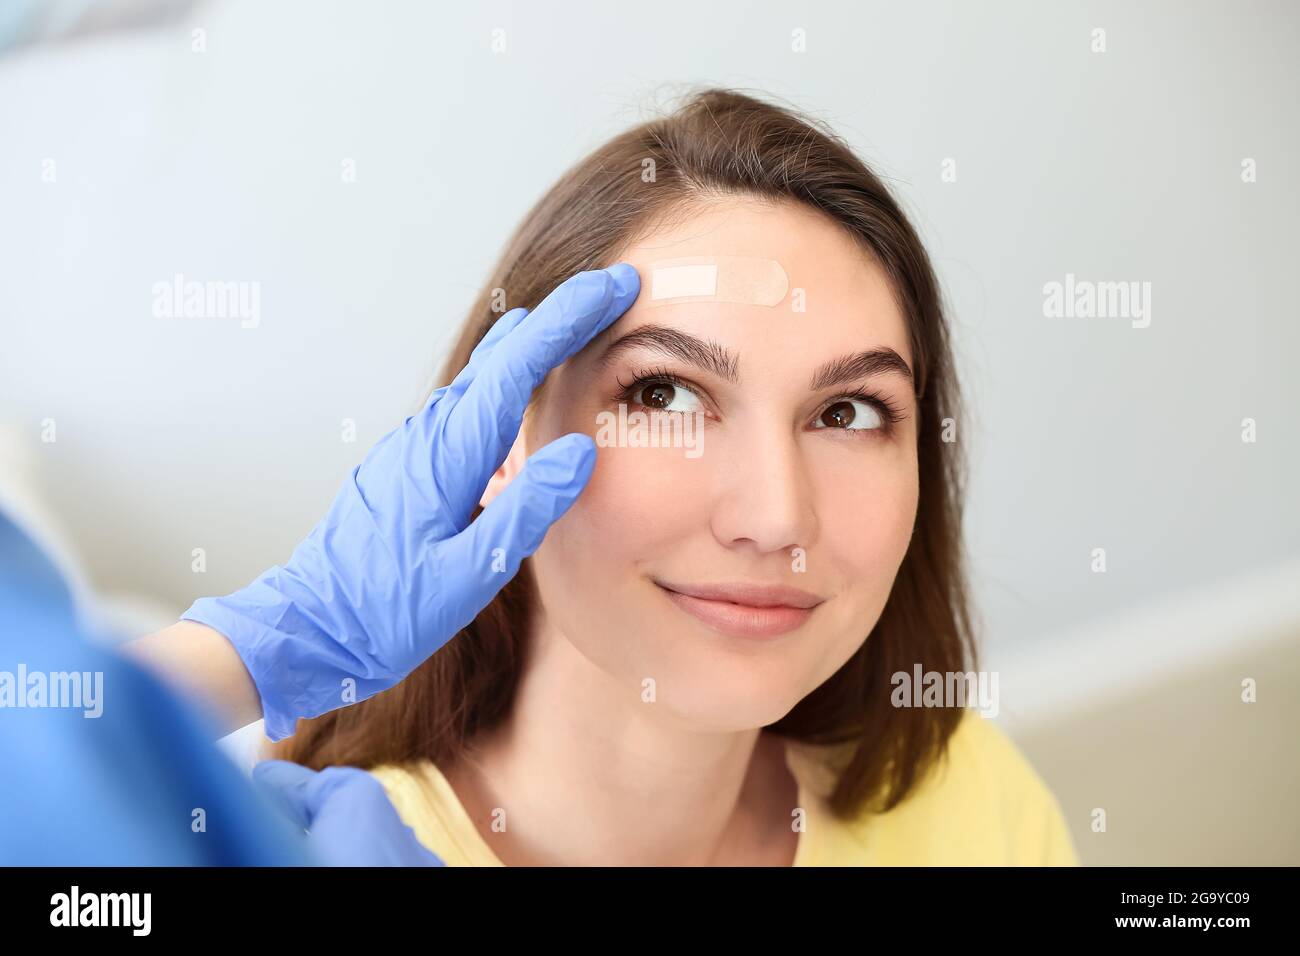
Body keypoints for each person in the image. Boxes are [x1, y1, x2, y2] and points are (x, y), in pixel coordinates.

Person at [123, 89, 1079, 866]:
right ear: (502, 431)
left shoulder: (966, 803)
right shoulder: (289, 851)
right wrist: (256, 652)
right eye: (664, 394)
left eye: (848, 412)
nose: (775, 516)